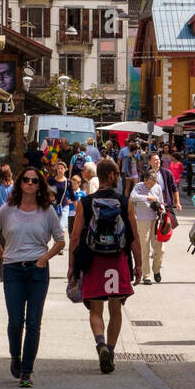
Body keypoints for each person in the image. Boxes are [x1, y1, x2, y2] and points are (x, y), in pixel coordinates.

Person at [0, 166, 66, 386]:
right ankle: (16, 356)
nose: (30, 183)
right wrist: (2, 255)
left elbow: (60, 240)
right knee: (15, 321)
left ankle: (27, 371)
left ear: (39, 185)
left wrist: (44, 259)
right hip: (13, 270)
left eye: (34, 180)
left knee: (33, 322)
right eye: (26, 180)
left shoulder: (47, 210)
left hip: (37, 270)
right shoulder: (8, 208)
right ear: (20, 183)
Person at [69, 157, 141, 373]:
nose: (119, 177)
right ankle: (110, 348)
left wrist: (72, 266)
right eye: (118, 173)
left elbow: (74, 237)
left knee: (96, 307)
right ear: (112, 175)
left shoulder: (86, 202)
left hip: (93, 260)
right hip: (118, 260)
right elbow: (134, 237)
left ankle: (100, 344)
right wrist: (138, 265)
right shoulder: (124, 201)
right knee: (116, 307)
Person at [129, 169, 165, 285]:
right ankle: (146, 275)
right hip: (142, 219)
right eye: (150, 183)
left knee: (160, 248)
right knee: (144, 248)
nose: (151, 186)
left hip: (155, 219)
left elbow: (161, 202)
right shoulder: (138, 187)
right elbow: (132, 197)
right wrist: (147, 197)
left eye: (153, 183)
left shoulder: (157, 187)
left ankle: (156, 269)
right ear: (145, 180)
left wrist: (161, 209)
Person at [148, 149, 180, 214]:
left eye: (158, 159)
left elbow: (174, 188)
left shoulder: (167, 173)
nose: (158, 161)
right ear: (150, 162)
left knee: (168, 223)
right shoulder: (146, 175)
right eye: (155, 160)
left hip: (165, 202)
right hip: (151, 204)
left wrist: (177, 203)